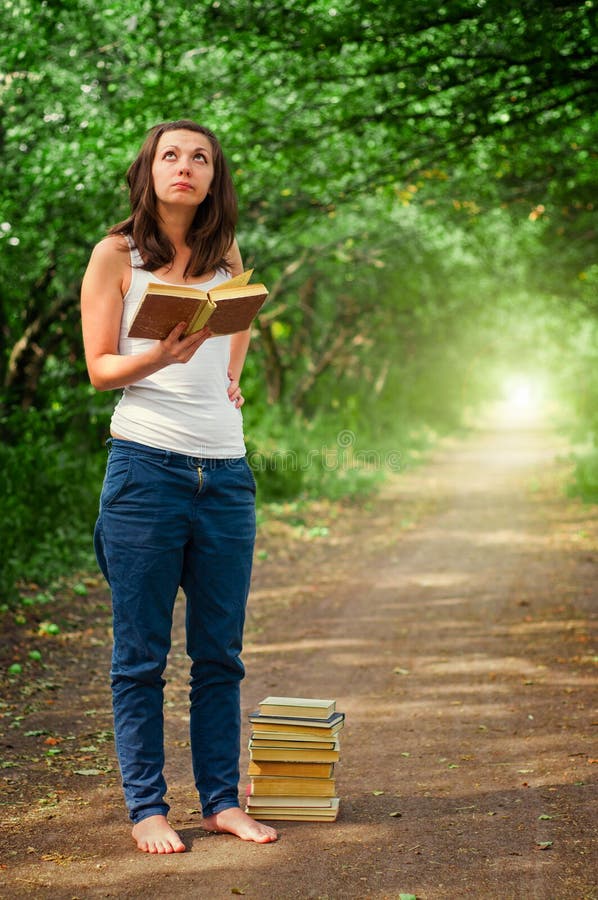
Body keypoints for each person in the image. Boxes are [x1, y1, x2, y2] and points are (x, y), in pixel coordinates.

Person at [81, 119, 278, 852]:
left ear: (213, 176)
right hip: (145, 471)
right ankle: (148, 810)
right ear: (150, 170)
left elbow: (241, 318)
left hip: (226, 476)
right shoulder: (117, 255)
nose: (185, 167)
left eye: (200, 157)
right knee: (140, 658)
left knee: (220, 655)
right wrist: (161, 357)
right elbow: (100, 367)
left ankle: (222, 802)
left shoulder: (226, 252)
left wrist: (229, 379)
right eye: (171, 156)